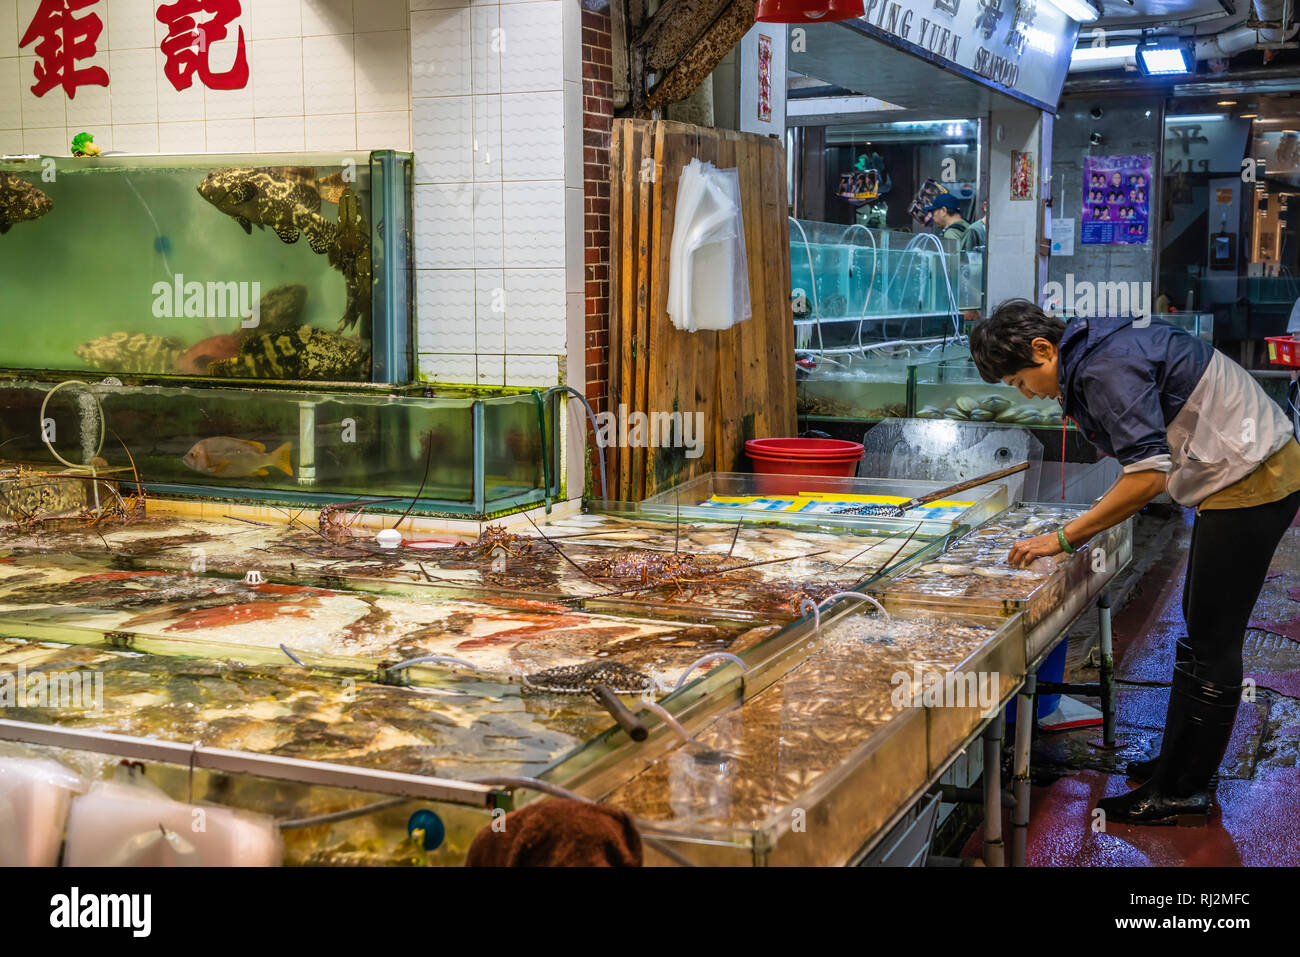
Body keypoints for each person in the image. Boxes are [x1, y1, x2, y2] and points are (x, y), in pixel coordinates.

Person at [969, 299, 1300, 826]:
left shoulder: (1102, 366)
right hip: (1240, 472)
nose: (1026, 393)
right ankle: (1177, 766)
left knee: (1214, 641)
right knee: (1198, 631)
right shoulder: (1093, 348)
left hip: (1252, 479)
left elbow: (1146, 478)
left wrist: (1064, 537)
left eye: (1020, 380)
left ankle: (1184, 794)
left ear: (1042, 349)